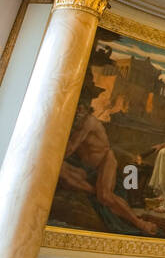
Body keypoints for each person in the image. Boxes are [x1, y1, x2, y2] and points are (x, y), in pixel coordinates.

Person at [59, 100, 157, 235]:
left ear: (86, 109)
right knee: (62, 172)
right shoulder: (73, 123)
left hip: (105, 161)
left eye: (81, 108)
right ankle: (95, 192)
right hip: (84, 166)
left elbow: (71, 147)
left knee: (105, 196)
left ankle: (140, 223)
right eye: (76, 109)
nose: (78, 112)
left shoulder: (88, 122)